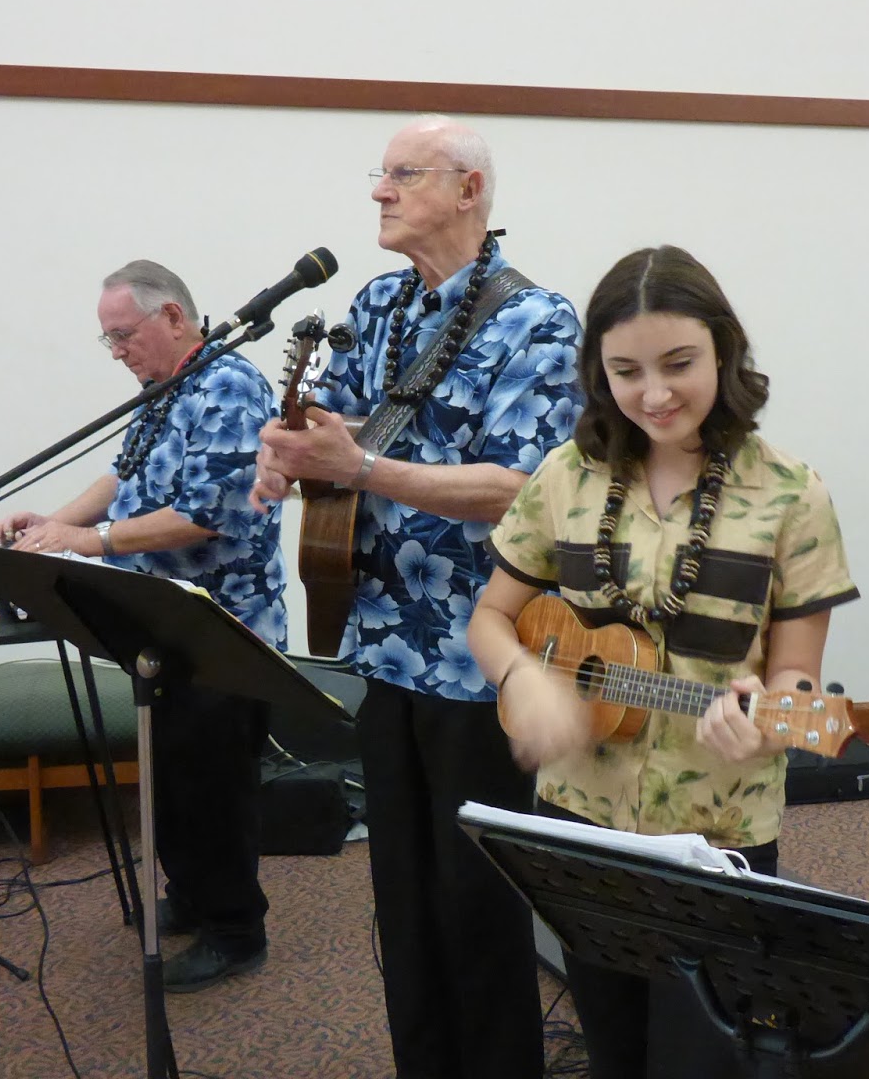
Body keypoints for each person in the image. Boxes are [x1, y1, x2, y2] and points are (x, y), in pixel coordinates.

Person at [467, 245, 859, 1079]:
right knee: (612, 1046)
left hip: (716, 835)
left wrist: (770, 726)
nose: (654, 394)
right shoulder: (567, 476)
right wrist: (523, 676)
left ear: (724, 350)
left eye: (679, 364)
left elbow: (798, 685)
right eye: (626, 371)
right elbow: (492, 619)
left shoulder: (792, 495)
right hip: (580, 820)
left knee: (703, 1056)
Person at [251, 116, 582, 1079]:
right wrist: (293, 452)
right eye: (381, 173)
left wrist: (362, 466)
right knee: (400, 890)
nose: (380, 191)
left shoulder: (539, 322)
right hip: (383, 640)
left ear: (469, 190)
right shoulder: (379, 302)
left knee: (479, 897)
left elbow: (521, 487)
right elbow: (346, 430)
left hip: (482, 655)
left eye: (404, 174)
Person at [0, 259, 285, 993]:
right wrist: (52, 524)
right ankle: (192, 895)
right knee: (172, 775)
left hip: (225, 629)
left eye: (124, 335)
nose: (117, 351)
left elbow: (208, 513)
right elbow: (125, 477)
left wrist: (87, 542)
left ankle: (235, 932)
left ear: (173, 318)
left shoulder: (227, 386)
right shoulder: (166, 388)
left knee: (213, 788)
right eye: (109, 339)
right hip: (160, 620)